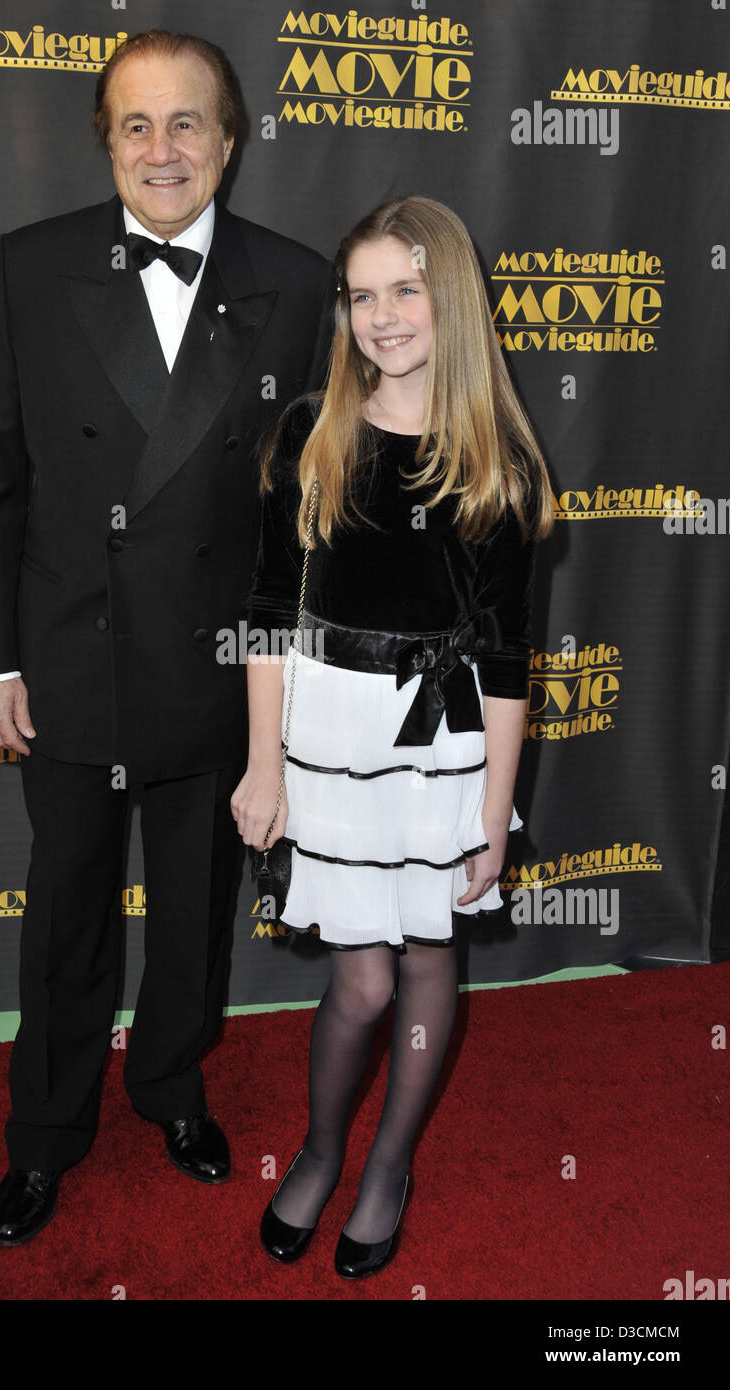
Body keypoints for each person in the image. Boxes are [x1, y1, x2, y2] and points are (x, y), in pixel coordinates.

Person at [0, 29, 335, 1247]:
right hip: (66, 658)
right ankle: (45, 1132)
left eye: (186, 125)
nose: (161, 150)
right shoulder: (28, 267)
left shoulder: (296, 280)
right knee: (63, 909)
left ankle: (170, 1087)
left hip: (214, 670)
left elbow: (300, 514)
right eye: (135, 125)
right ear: (105, 141)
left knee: (193, 906)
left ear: (229, 140)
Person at [233, 195, 555, 1278]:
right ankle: (322, 1150)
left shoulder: (496, 460)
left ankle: (388, 1164)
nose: (380, 316)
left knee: (428, 964)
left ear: (447, 297)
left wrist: (492, 816)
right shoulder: (306, 432)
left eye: (404, 290)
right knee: (359, 980)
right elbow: (270, 612)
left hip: (440, 746)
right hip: (326, 735)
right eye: (361, 295)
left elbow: (507, 660)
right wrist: (261, 761)